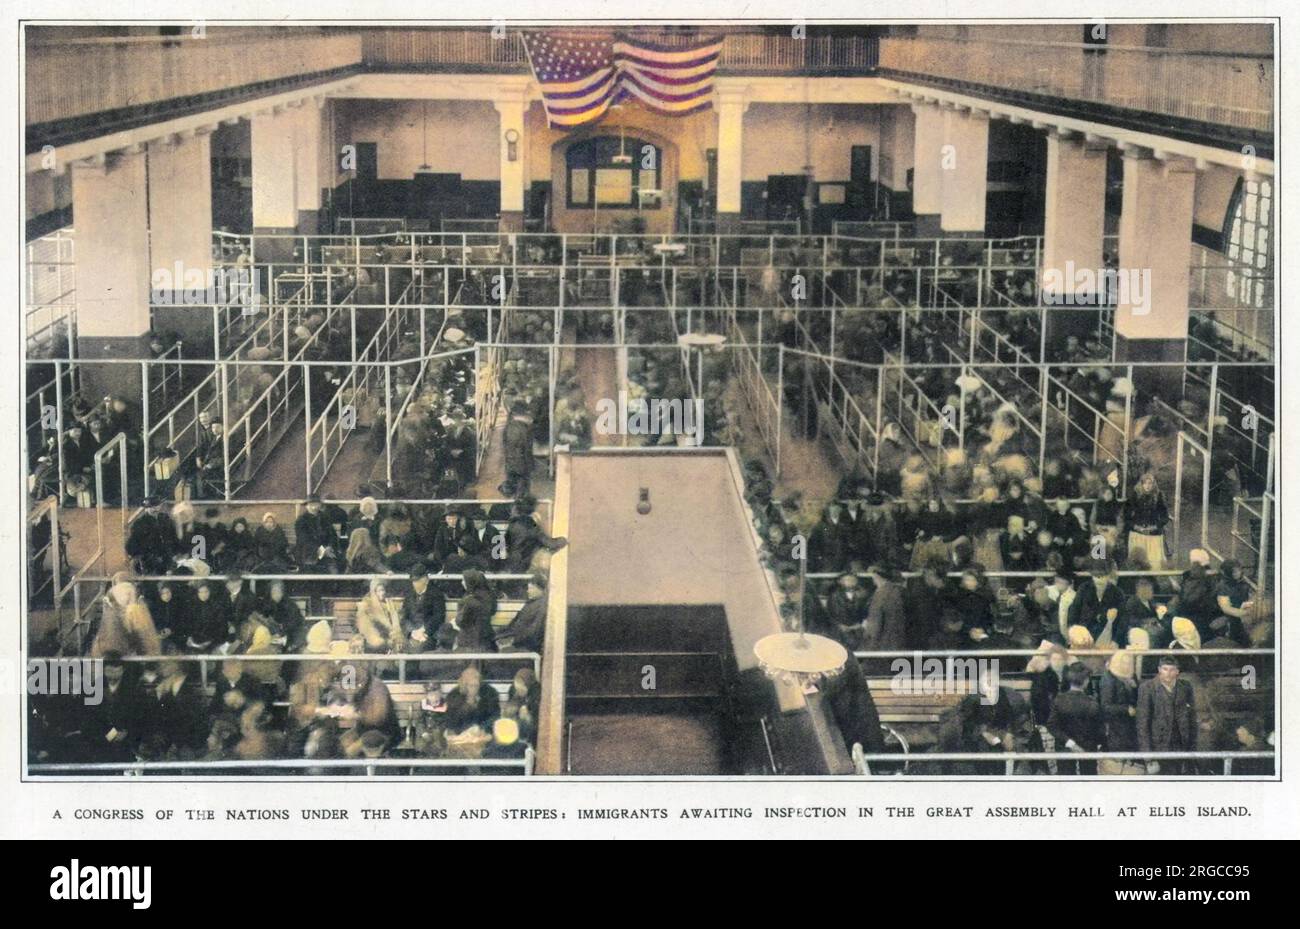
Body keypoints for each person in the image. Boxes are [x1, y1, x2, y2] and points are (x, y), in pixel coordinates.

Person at [1136, 655, 1198, 774]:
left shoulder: (1185, 687)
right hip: (1159, 748)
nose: (1168, 673)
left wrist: (1192, 750)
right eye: (1165, 669)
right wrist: (1149, 758)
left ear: (1177, 672)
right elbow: (1142, 725)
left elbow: (1192, 720)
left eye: (1172, 670)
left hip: (1182, 746)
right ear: (1159, 670)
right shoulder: (1148, 688)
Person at [1047, 662, 1104, 775]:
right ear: (1086, 681)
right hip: (1088, 749)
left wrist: (1070, 743)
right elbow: (1099, 731)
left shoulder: (1059, 700)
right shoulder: (1092, 703)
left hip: (1064, 749)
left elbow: (1052, 726)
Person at [1098, 650, 1139, 760]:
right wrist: (1126, 709)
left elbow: (1136, 696)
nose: (1127, 666)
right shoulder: (1108, 679)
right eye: (1124, 663)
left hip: (1131, 724)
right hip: (1116, 726)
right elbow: (1105, 706)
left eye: (1129, 663)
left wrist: (1135, 687)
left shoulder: (1131, 675)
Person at [1124, 473, 1170, 571]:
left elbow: (1165, 517)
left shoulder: (1158, 496)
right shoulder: (1135, 495)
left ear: (1153, 484)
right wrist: (1136, 527)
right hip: (1137, 534)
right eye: (1145, 483)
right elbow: (1126, 516)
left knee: (1155, 564)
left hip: (1153, 535)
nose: (1147, 486)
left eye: (1150, 483)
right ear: (1141, 484)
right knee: (1137, 563)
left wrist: (1155, 527)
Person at [400, 568, 448, 652]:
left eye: (417, 581)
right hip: (412, 633)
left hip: (429, 634)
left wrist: (423, 630)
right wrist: (412, 632)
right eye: (413, 581)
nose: (415, 584)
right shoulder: (409, 595)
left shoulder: (436, 594)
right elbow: (404, 617)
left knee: (418, 648)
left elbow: (439, 617)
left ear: (426, 580)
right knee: (406, 647)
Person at [443, 666, 501, 735]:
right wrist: (469, 702)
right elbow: (451, 721)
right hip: (461, 733)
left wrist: (481, 728)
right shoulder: (453, 695)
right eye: (470, 685)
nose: (474, 688)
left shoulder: (490, 693)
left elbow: (495, 716)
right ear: (463, 684)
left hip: (484, 732)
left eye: (476, 685)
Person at [500, 573, 548, 653]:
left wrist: (512, 641)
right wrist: (498, 636)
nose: (528, 591)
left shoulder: (541, 606)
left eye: (531, 588)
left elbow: (534, 631)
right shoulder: (531, 603)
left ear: (539, 589)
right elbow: (513, 625)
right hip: (517, 641)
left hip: (526, 647)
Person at [861, 563, 905, 651]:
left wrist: (869, 644)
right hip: (897, 640)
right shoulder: (897, 591)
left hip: (884, 643)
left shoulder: (881, 594)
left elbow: (875, 624)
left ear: (876, 576)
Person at [453, 569, 498, 652]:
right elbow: (492, 611)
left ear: (470, 582)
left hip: (470, 640)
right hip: (486, 637)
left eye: (464, 580)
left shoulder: (469, 600)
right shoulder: (489, 596)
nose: (462, 582)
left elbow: (460, 621)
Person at [356, 578, 404, 654]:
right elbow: (369, 627)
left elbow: (395, 622)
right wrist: (388, 635)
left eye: (383, 590)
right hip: (373, 639)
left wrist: (395, 633)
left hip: (389, 637)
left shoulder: (389, 604)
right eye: (379, 591)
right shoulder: (367, 605)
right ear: (374, 592)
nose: (382, 593)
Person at [294, 495, 340, 572]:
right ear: (306, 506)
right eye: (311, 505)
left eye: (316, 504)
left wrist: (329, 546)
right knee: (310, 569)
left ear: (320, 505)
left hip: (327, 552)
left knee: (333, 569)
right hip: (309, 553)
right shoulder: (301, 520)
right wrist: (321, 550)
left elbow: (332, 535)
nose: (314, 507)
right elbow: (303, 540)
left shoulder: (325, 517)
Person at [500, 401, 535, 497]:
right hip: (519, 465)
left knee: (521, 490)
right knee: (520, 491)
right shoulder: (516, 428)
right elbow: (517, 447)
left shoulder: (515, 426)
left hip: (517, 464)